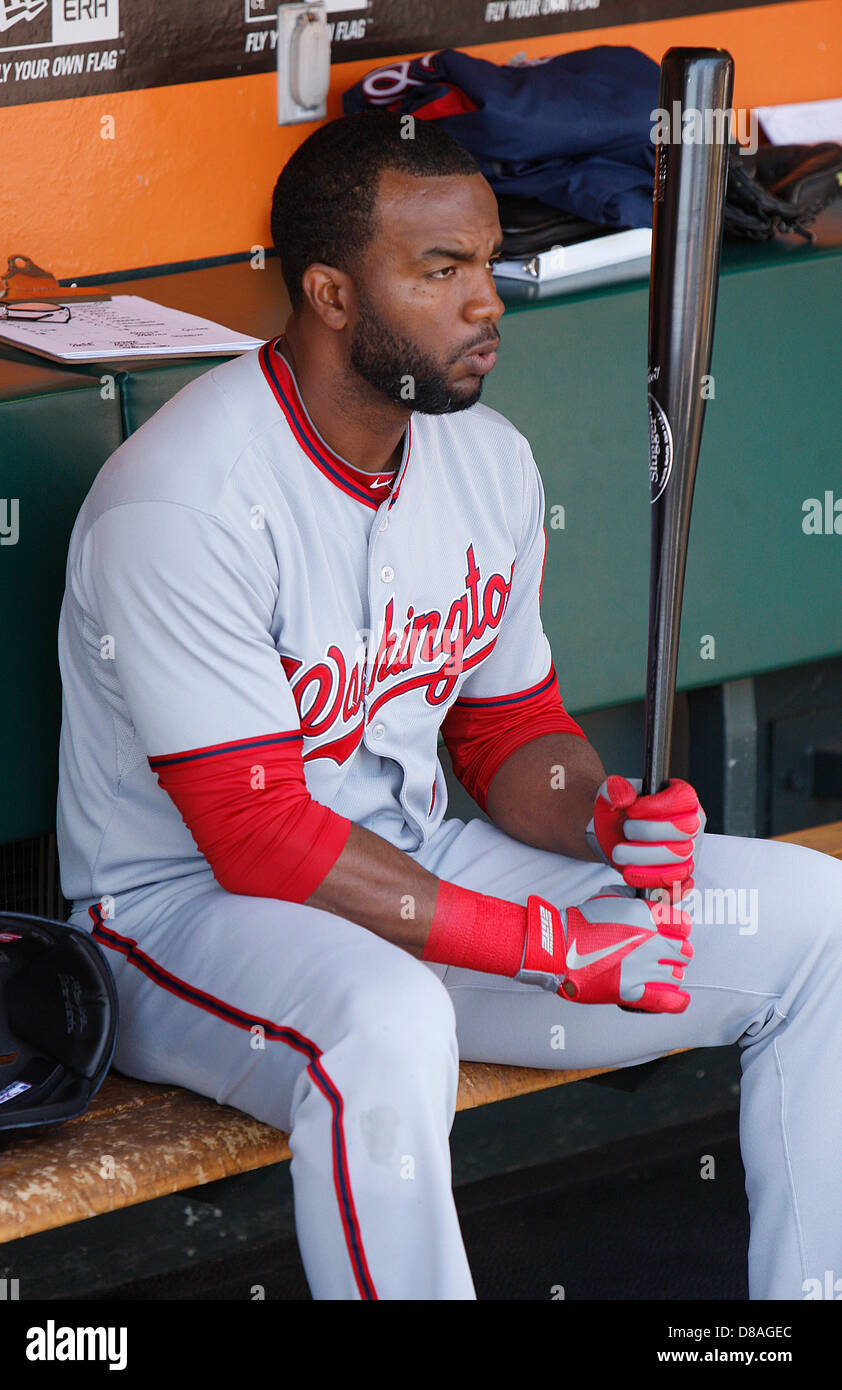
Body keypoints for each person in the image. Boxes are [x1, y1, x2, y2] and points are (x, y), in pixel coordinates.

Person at [57, 112, 842, 1301]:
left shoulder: (486, 460)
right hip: (186, 919)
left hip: (426, 871)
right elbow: (257, 834)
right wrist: (541, 945)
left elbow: (504, 728)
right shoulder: (180, 498)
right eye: (439, 271)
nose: (486, 302)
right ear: (329, 291)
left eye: (485, 263)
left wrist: (601, 817)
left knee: (819, 918)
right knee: (388, 1024)